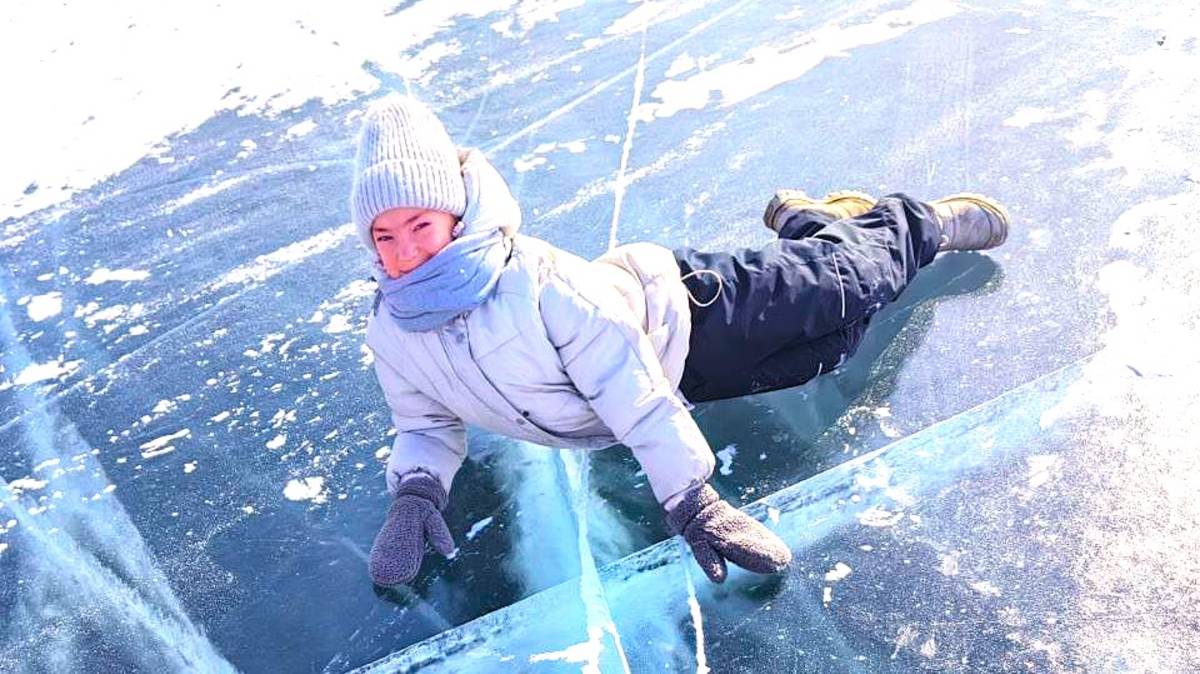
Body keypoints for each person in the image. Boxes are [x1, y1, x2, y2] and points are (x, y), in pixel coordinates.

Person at [353, 95, 1010, 587]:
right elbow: (426, 423)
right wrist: (416, 493)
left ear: (456, 212)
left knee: (849, 285)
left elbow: (626, 389)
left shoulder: (539, 284)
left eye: (420, 224)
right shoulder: (395, 330)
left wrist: (692, 501)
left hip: (695, 308)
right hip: (684, 380)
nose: (406, 251)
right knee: (831, 350)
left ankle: (919, 221)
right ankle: (821, 223)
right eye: (386, 236)